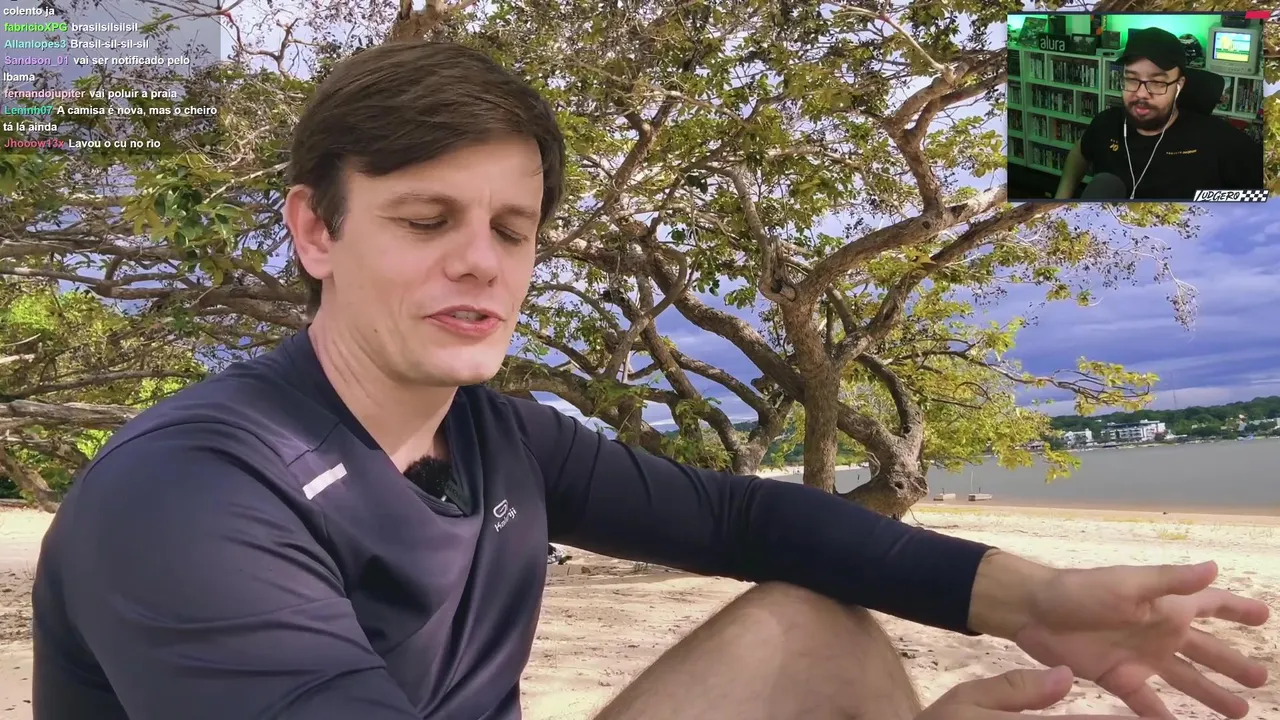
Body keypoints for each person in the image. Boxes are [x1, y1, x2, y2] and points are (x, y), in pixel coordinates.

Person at [31, 40, 1270, 720]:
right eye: (424, 219)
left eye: (511, 229)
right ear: (315, 231)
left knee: (804, 620)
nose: (480, 261)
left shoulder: (496, 436)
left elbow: (743, 518)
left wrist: (1035, 599)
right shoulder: (193, 494)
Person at [1054, 27, 1263, 200]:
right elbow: (1079, 152)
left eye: (1157, 82)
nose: (1141, 93)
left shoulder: (1219, 140)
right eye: (1132, 79)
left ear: (1179, 85)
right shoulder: (1105, 123)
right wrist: (1062, 198)